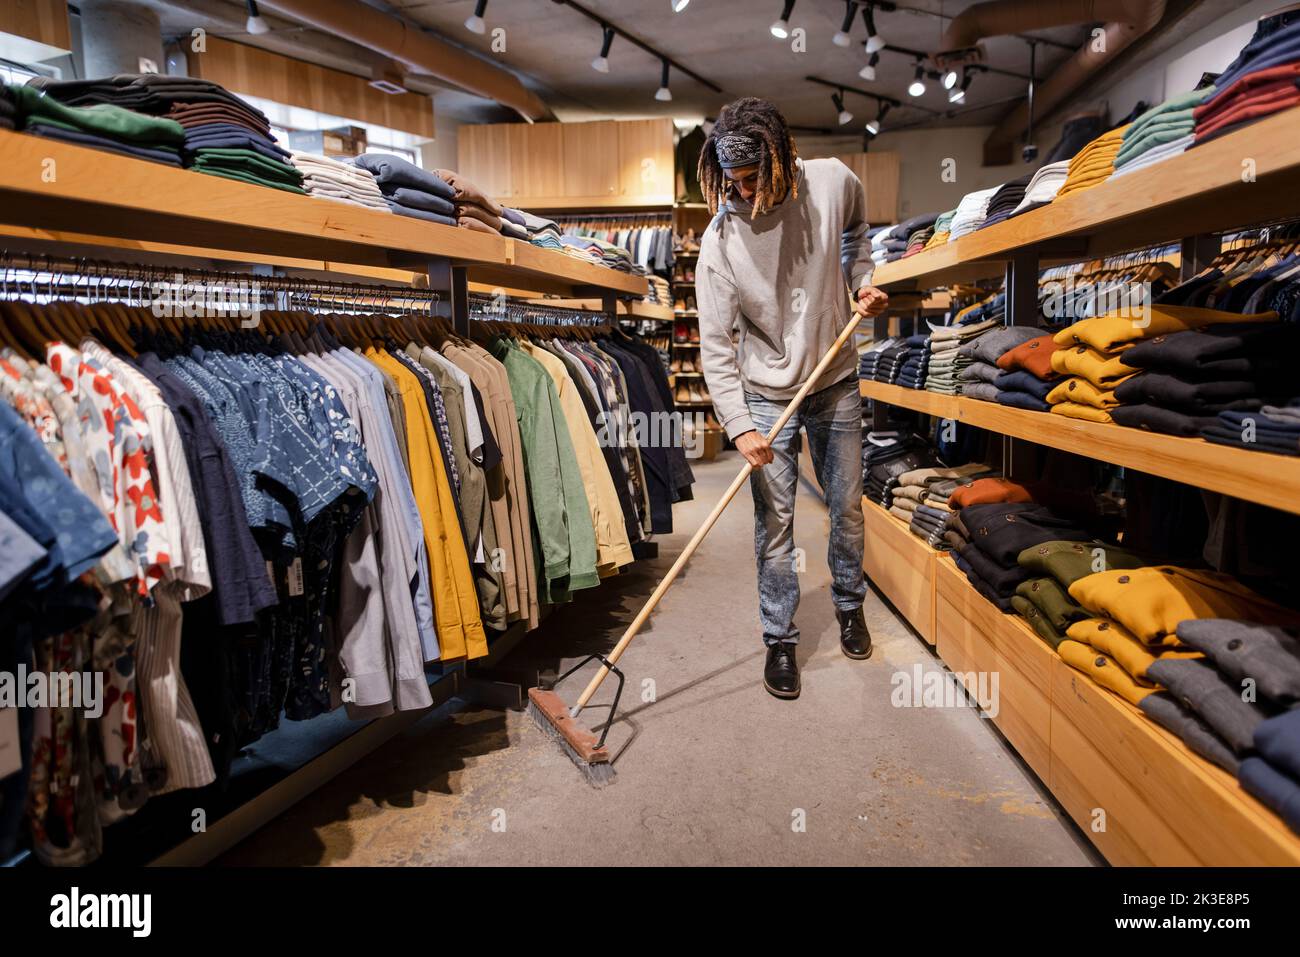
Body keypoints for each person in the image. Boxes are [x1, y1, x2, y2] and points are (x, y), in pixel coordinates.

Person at [695, 97, 889, 699]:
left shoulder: (831, 183)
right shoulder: (721, 239)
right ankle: (780, 639)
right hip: (763, 393)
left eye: (752, 178)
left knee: (847, 506)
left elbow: (859, 230)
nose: (740, 191)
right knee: (773, 522)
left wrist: (862, 281)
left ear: (781, 160)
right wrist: (738, 425)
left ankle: (850, 605)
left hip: (834, 377)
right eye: (731, 181)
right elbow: (716, 344)